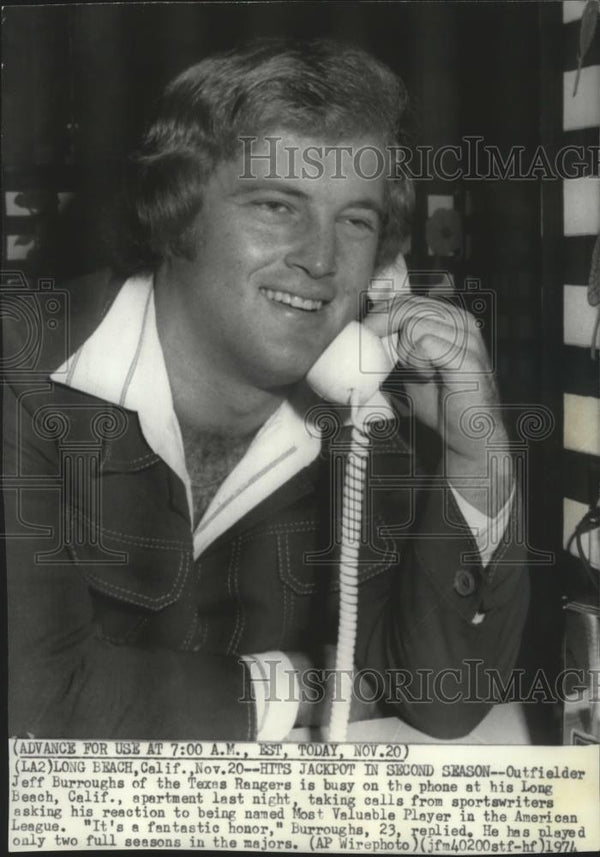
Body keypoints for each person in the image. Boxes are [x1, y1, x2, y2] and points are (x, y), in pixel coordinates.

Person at [3, 39, 528, 741]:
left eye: (356, 220)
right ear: (177, 211)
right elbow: (34, 700)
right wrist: (307, 685)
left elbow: (445, 699)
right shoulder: (20, 370)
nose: (320, 258)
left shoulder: (368, 421)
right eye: (280, 205)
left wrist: (477, 451)